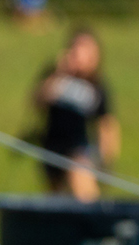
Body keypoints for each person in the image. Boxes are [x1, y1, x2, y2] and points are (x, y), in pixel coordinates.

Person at [33, 28, 118, 201]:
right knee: (55, 200)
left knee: (83, 194)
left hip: (80, 149)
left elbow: (107, 124)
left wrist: (106, 160)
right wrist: (58, 73)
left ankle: (93, 226)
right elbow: (38, 102)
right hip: (52, 146)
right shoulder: (55, 76)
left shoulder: (96, 85)